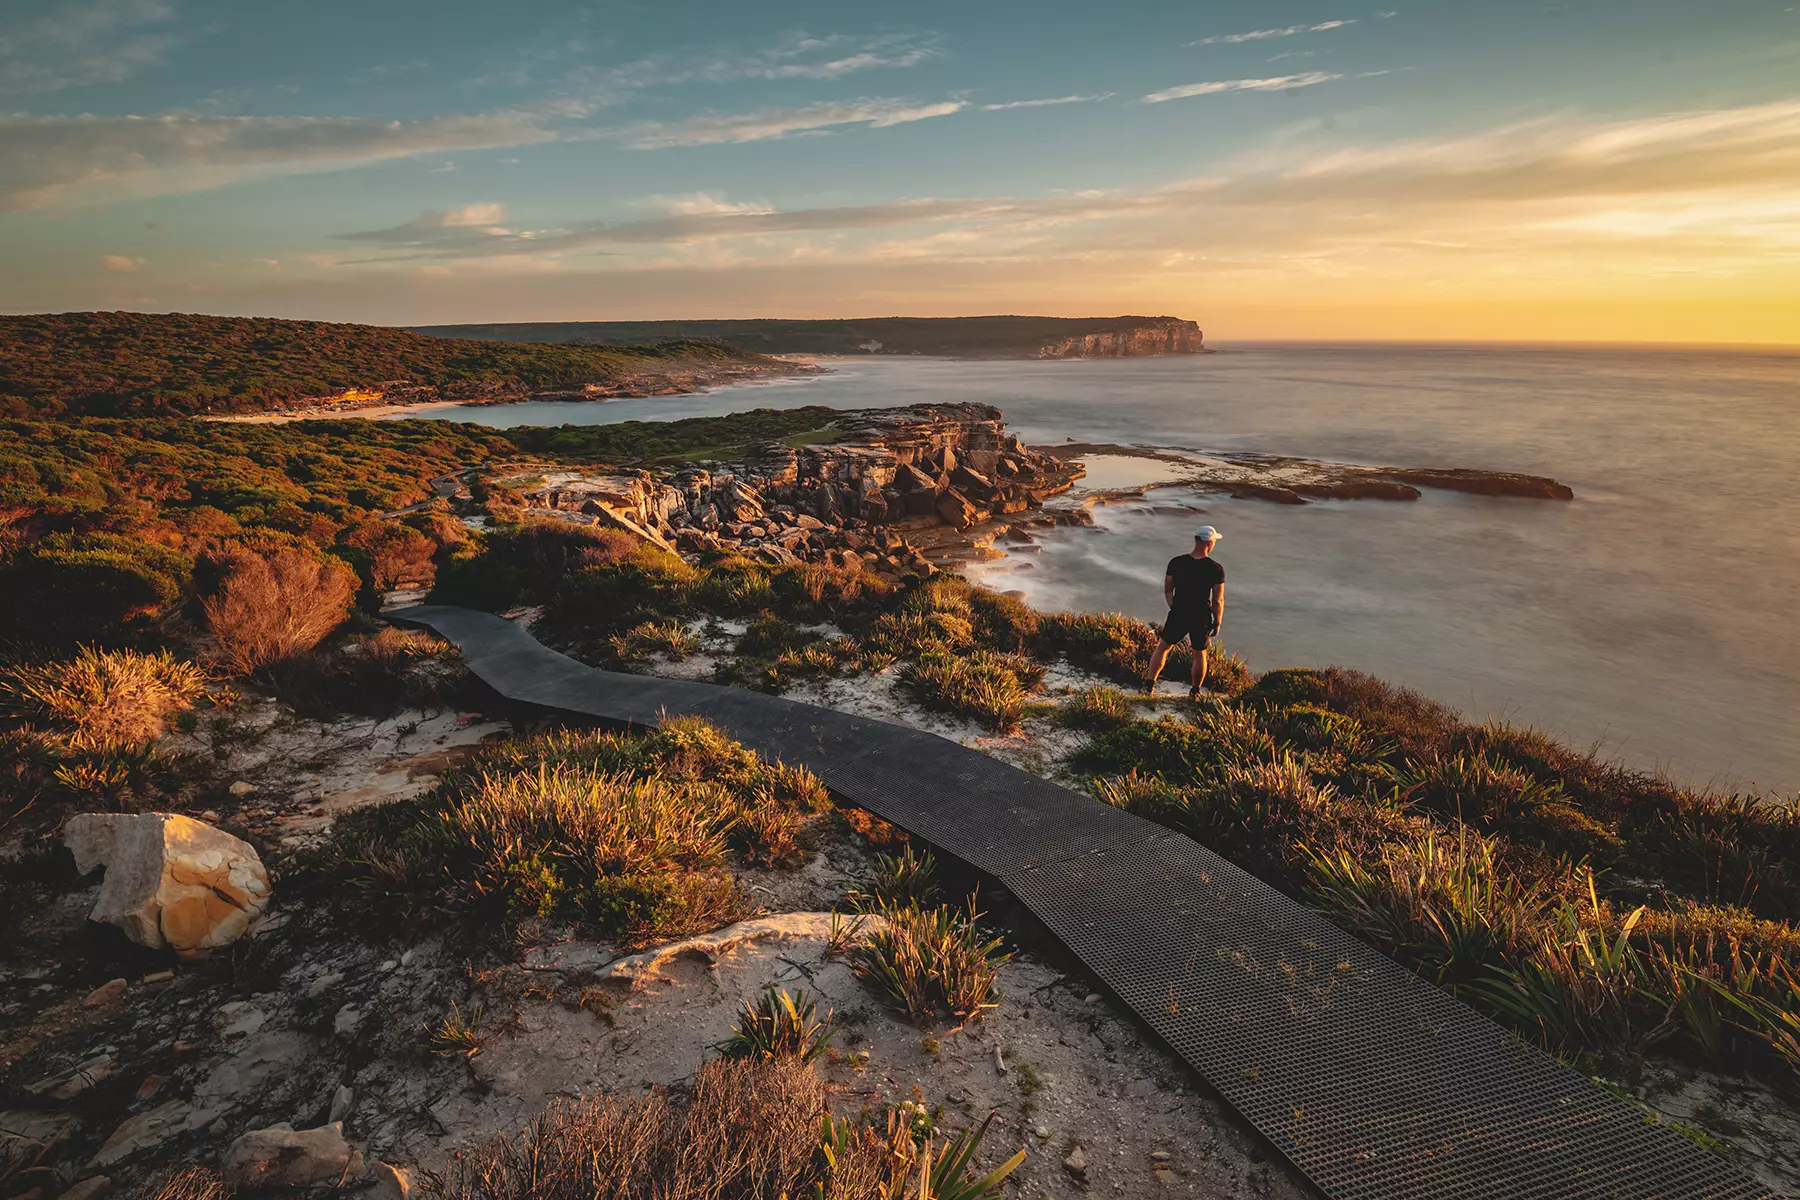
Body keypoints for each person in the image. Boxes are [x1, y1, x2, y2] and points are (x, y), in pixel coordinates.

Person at [1147, 525, 1225, 700]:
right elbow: (1217, 600)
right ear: (1209, 543)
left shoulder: (1176, 562)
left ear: (1196, 540)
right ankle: (1195, 691)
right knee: (1199, 654)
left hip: (1179, 611)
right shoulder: (1216, 569)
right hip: (1201, 615)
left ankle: (1149, 685)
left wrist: (1173, 606)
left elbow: (1168, 589)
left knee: (1163, 647)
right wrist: (1217, 621)